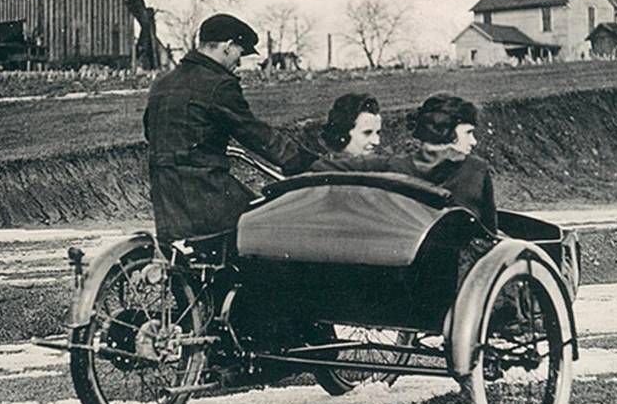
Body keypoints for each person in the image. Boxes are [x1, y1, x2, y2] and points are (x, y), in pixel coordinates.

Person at [144, 13, 319, 243]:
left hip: (167, 200)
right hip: (205, 195)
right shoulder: (219, 84)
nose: (238, 62)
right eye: (240, 52)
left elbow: (151, 131)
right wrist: (300, 161)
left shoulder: (162, 83)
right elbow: (252, 132)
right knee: (271, 222)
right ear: (227, 46)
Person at [318, 93, 498, 235]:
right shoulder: (477, 169)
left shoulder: (393, 164)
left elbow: (328, 166)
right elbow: (490, 231)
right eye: (468, 133)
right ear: (448, 132)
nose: (473, 141)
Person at [314, 93, 383, 157]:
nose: (377, 141)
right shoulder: (317, 164)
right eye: (367, 133)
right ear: (342, 133)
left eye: (378, 133)